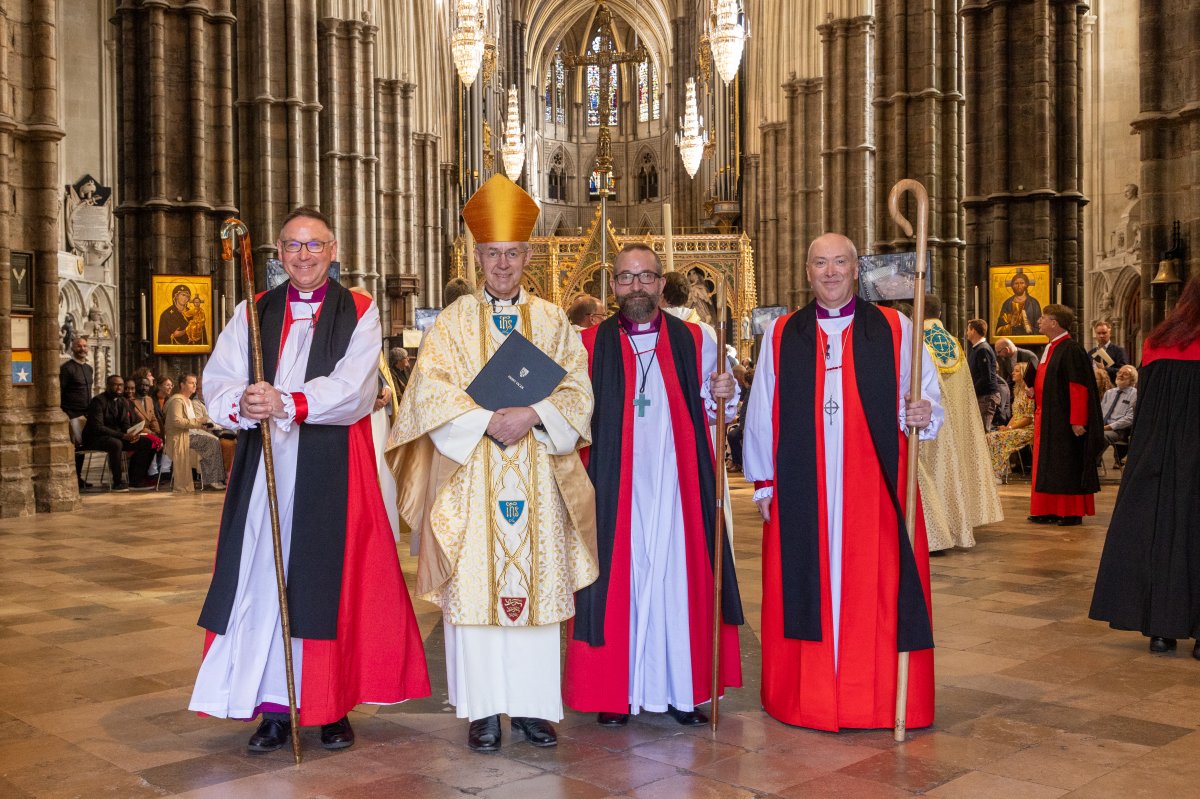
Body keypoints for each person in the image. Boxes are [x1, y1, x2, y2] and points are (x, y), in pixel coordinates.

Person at [188, 206, 429, 754]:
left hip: (334, 468)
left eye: (313, 245)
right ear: (278, 253)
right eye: (292, 246)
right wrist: (244, 403)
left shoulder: (360, 310)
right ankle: (274, 709)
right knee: (262, 580)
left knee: (331, 586)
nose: (303, 255)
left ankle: (330, 706)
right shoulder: (252, 310)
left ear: (333, 249)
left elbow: (354, 390)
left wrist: (288, 401)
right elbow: (218, 380)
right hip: (263, 469)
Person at [388, 175, 597, 753]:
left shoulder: (555, 322)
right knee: (476, 590)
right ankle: (481, 711)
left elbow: (579, 391)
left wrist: (531, 415)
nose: (502, 264)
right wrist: (485, 421)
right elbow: (427, 393)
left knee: (536, 592)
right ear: (476, 255)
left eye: (512, 253)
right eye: (492, 254)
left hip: (537, 470)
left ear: (528, 255)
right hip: (472, 476)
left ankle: (532, 709)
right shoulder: (452, 322)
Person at [743, 232, 942, 732]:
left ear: (857, 270)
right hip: (801, 483)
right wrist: (764, 482)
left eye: (839, 263)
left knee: (876, 589)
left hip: (874, 484)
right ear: (806, 272)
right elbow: (763, 409)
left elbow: (927, 400)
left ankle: (873, 701)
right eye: (819, 263)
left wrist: (923, 411)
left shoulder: (896, 328)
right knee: (804, 585)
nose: (830, 272)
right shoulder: (784, 334)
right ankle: (804, 697)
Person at [563, 243, 744, 728]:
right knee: (616, 581)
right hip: (613, 486)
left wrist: (725, 393)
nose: (636, 286)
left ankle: (683, 690)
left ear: (662, 284)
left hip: (678, 484)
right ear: (613, 286)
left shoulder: (698, 338)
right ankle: (613, 692)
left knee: (676, 580)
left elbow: (715, 405)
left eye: (645, 277)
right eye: (625, 278)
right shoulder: (585, 346)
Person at [1090, 274, 1200, 660]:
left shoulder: (1156, 343)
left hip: (1157, 458)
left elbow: (1144, 409)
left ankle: (1161, 630)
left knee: (1160, 536)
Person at [917, 297, 1003, 552]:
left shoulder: (917, 341)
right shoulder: (953, 342)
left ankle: (934, 534)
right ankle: (956, 524)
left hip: (928, 425)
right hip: (953, 425)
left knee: (929, 475)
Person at [1027, 304, 1104, 527]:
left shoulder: (1071, 349)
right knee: (1047, 466)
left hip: (1064, 419)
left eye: (1043, 318)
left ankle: (1070, 512)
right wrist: (1034, 392)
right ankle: (1048, 509)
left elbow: (1078, 387)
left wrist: (1078, 419)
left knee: (1066, 465)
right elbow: (1046, 380)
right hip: (1047, 415)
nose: (1039, 321)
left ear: (1055, 323)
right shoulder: (1049, 347)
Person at [82, 375, 155, 491]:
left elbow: (125, 425)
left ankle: (135, 480)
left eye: (121, 385)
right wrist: (123, 436)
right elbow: (98, 427)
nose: (119, 388)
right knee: (116, 444)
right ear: (108, 386)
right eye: (115, 385)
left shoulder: (122, 401)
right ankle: (118, 482)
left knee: (145, 442)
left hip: (117, 436)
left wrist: (132, 434)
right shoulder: (98, 401)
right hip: (95, 438)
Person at [164, 374, 225, 492]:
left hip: (189, 434)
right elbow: (177, 421)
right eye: (191, 383)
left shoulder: (189, 401)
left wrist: (203, 426)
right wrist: (199, 422)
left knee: (215, 439)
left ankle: (214, 479)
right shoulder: (177, 400)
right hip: (179, 437)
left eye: (195, 383)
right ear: (182, 385)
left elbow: (191, 423)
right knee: (211, 442)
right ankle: (211, 480)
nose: (195, 386)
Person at [987, 363, 1036, 481]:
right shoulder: (1017, 391)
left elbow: (1028, 418)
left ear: (1024, 374)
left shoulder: (1029, 392)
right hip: (1016, 426)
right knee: (990, 436)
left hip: (1029, 428)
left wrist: (1010, 429)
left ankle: (999, 473)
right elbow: (1016, 415)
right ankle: (998, 470)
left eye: (1017, 371)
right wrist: (1007, 427)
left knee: (997, 438)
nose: (1013, 373)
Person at [965, 319, 1003, 430]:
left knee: (983, 431)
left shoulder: (983, 349)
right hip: (982, 395)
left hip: (986, 396)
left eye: (968, 330)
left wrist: (971, 390)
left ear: (973, 331)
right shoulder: (977, 348)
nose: (966, 333)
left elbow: (986, 377)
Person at [1098, 365, 1138, 467]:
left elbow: (1129, 419)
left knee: (1101, 436)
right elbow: (1100, 412)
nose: (1120, 375)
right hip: (1103, 427)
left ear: (1132, 379)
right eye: (1119, 372)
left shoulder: (1135, 394)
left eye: (1125, 374)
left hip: (1120, 431)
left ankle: (1090, 464)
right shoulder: (1109, 393)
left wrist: (1106, 428)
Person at [994, 271, 1042, 336]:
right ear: (1012, 286)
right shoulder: (1007, 303)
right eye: (1016, 283)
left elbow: (1040, 328)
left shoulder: (1033, 303)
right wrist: (1010, 325)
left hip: (1030, 340)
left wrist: (1030, 328)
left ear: (1026, 284)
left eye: (1022, 283)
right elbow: (998, 330)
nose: (1019, 286)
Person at [59, 336, 94, 419]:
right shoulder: (66, 368)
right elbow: (60, 390)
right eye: (79, 346)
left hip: (87, 412)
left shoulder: (89, 368)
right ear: (72, 349)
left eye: (85, 346)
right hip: (72, 414)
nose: (82, 349)